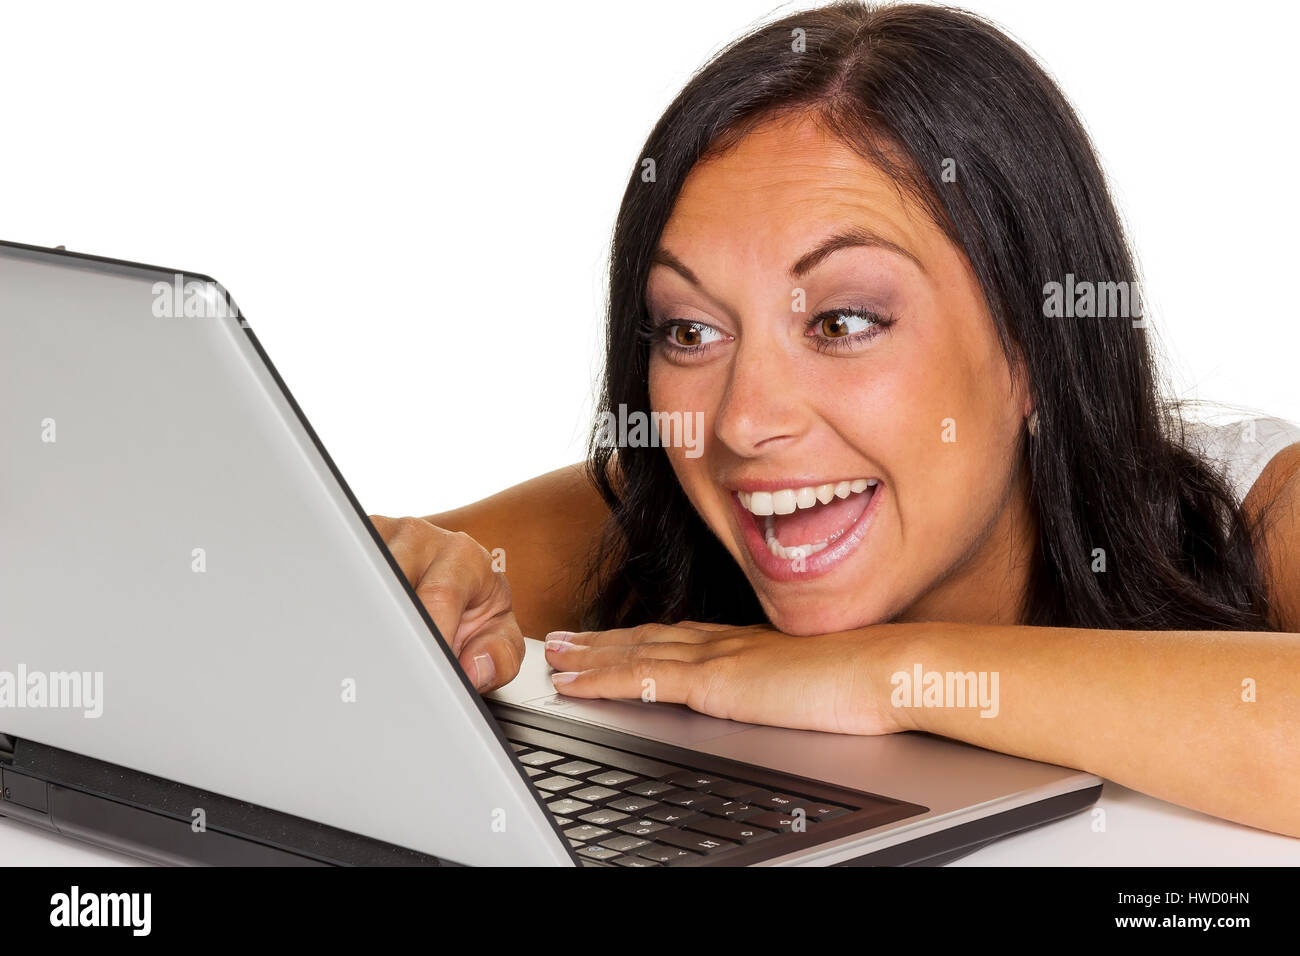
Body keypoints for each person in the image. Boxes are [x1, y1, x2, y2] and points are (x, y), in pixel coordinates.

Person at [371, 2, 1300, 837]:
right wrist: (416, 578)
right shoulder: (660, 506)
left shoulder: (1255, 503)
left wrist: (893, 675)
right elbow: (276, 597)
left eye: (843, 321)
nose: (743, 423)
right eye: (691, 331)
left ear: (1034, 350)